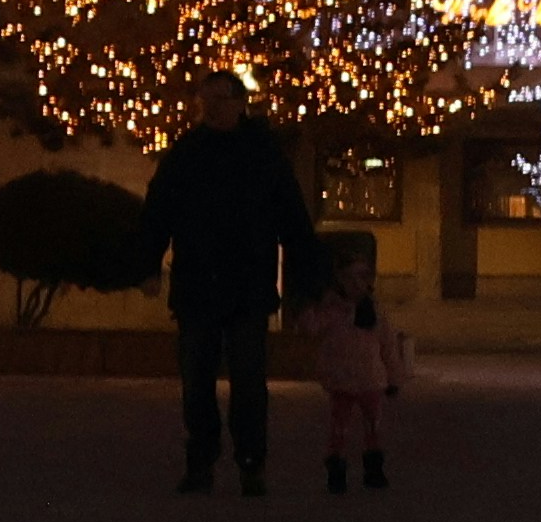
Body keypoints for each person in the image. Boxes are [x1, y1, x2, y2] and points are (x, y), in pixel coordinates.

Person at [142, 95, 327, 495]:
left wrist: (307, 288)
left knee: (248, 382)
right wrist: (147, 266)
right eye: (209, 98)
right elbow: (158, 211)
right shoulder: (187, 152)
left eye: (223, 99)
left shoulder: (262, 154)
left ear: (239, 105)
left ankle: (250, 462)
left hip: (247, 287)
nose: (214, 107)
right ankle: (201, 461)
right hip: (197, 286)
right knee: (196, 381)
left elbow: (293, 220)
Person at [299, 237, 402, 494]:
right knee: (338, 429)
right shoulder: (333, 310)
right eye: (350, 278)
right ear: (340, 280)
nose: (357, 284)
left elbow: (388, 345)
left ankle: (374, 469)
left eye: (362, 278)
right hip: (342, 381)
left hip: (371, 380)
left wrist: (394, 377)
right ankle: (336, 471)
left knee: (373, 428)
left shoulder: (375, 312)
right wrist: (307, 308)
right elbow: (310, 328)